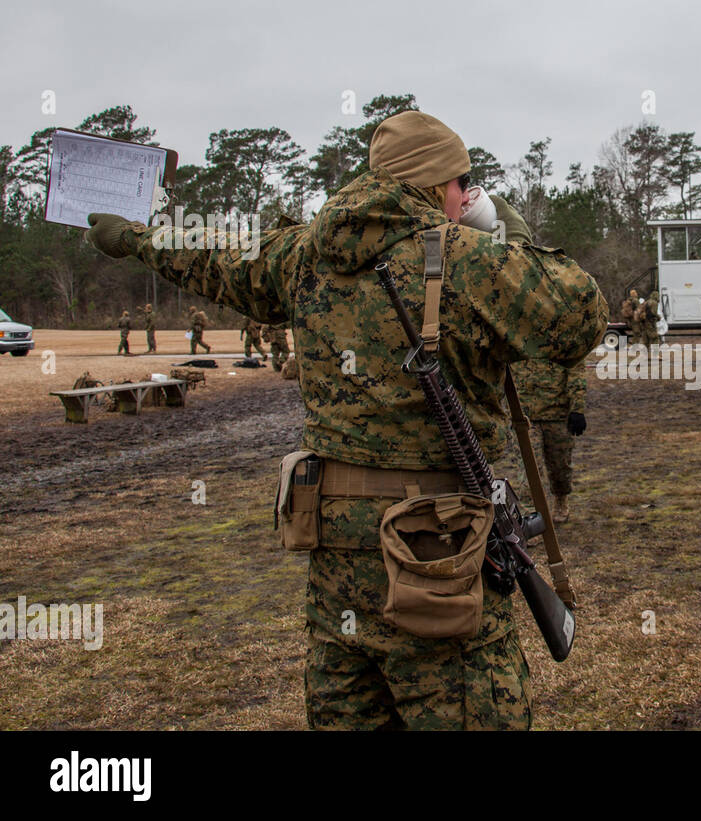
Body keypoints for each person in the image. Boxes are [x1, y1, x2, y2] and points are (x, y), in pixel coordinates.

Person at [85, 109, 608, 731]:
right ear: (437, 185)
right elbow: (579, 316)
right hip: (437, 549)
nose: (462, 194)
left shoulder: (306, 254)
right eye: (458, 182)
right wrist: (505, 234)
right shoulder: (468, 259)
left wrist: (135, 237)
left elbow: (216, 260)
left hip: (335, 554)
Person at [510, 359, 587, 523]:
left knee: (560, 467)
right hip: (524, 415)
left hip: (557, 415)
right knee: (528, 470)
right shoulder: (515, 337)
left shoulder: (563, 337)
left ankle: (561, 496)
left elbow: (576, 371)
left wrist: (577, 409)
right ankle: (531, 519)